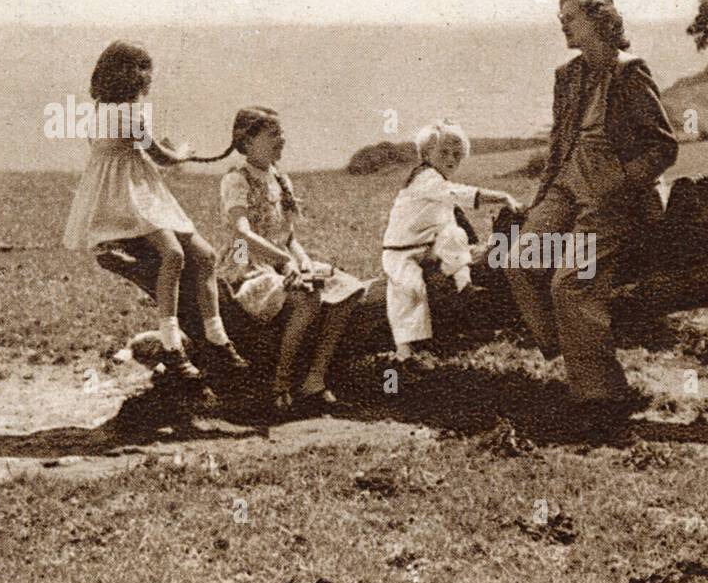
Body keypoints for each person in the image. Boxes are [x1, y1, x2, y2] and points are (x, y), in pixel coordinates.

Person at [506, 0, 677, 434]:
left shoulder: (630, 72)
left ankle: (601, 396)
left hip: (611, 195)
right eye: (560, 18)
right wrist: (542, 200)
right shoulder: (567, 75)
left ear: (601, 22)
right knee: (520, 256)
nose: (563, 24)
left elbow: (663, 146)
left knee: (570, 286)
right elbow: (557, 146)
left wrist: (618, 182)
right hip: (566, 184)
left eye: (570, 18)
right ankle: (569, 348)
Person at [63, 40, 247, 379]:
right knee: (174, 255)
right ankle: (172, 345)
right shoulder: (127, 114)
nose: (149, 78)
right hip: (130, 197)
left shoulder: (100, 114)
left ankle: (217, 338)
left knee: (204, 256)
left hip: (140, 191)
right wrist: (184, 152)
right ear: (130, 75)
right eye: (144, 70)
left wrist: (161, 148)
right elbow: (160, 156)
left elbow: (137, 150)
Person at [209, 106, 366, 411]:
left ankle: (315, 377)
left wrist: (303, 263)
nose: (282, 139)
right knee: (308, 297)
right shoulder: (236, 180)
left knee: (350, 289)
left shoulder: (281, 179)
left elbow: (289, 237)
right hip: (248, 266)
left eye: (281, 133)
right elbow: (242, 234)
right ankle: (280, 382)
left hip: (283, 262)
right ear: (247, 140)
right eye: (273, 134)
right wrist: (286, 262)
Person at [381, 121, 519, 360]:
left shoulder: (438, 182)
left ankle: (465, 287)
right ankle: (405, 353)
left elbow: (454, 218)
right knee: (409, 289)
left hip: (430, 248)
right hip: (402, 251)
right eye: (443, 152)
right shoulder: (426, 177)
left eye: (457, 154)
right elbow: (459, 194)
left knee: (455, 234)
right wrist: (501, 197)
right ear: (426, 154)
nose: (451, 159)